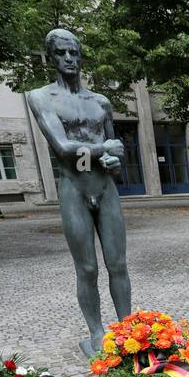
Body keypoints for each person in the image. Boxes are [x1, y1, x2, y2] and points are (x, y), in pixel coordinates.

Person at [26, 28, 131, 356]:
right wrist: (106, 149)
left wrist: (114, 158)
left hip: (105, 187)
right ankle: (97, 332)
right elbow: (63, 147)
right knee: (87, 268)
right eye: (61, 53)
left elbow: (114, 150)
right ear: (51, 57)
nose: (69, 58)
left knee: (118, 263)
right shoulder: (40, 97)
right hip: (74, 188)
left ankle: (127, 329)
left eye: (74, 52)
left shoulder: (100, 101)